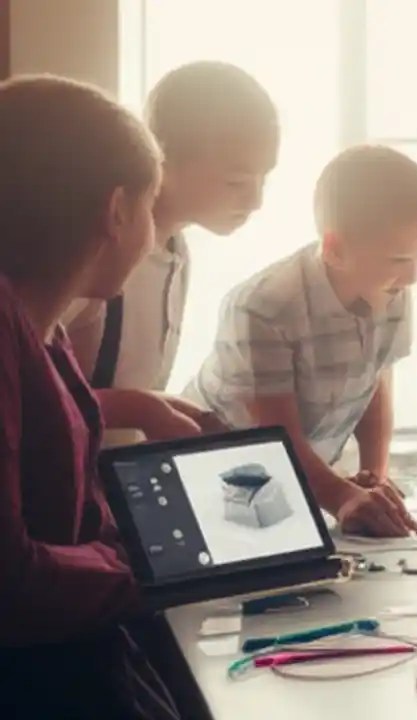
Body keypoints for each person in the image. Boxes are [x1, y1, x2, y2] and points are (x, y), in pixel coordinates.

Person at [0, 74, 180, 719]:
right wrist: (155, 571)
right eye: (151, 208)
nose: (153, 236)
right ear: (117, 210)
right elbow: (11, 582)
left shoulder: (42, 325)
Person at [184, 145, 417, 538]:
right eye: (399, 260)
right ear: (335, 250)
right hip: (220, 475)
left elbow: (374, 384)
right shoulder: (264, 307)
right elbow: (275, 434)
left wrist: (373, 478)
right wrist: (342, 496)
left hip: (300, 470)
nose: (413, 277)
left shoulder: (389, 288)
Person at [61, 60, 279, 444]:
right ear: (162, 157)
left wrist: (172, 409)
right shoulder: (100, 254)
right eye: (237, 181)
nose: (256, 201)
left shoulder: (177, 251)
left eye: (266, 178)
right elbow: (29, 390)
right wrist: (142, 409)